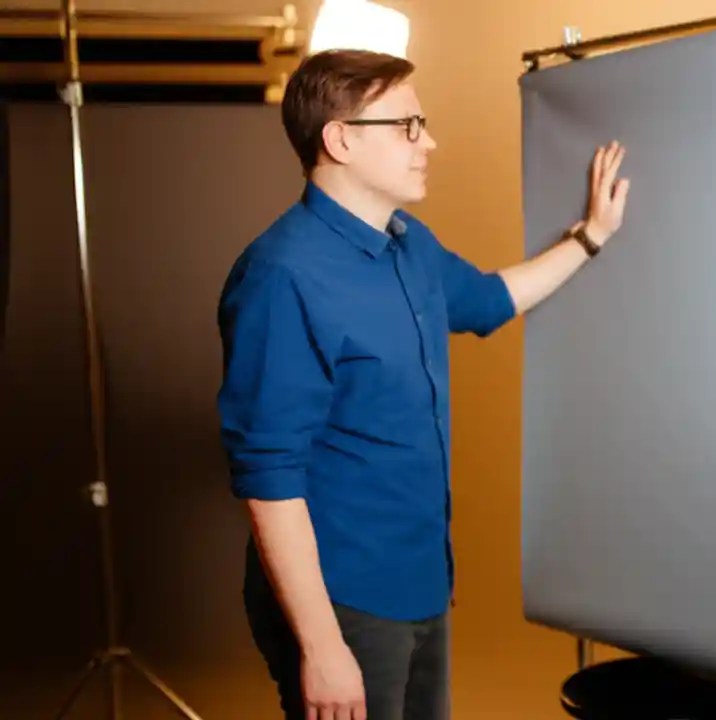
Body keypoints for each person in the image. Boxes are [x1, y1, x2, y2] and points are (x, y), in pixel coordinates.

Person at [216, 49, 630, 720]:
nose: (428, 141)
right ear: (340, 138)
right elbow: (269, 477)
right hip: (342, 601)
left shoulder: (411, 244)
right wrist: (321, 647)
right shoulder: (281, 276)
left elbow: (493, 298)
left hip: (421, 584)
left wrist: (592, 236)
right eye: (408, 125)